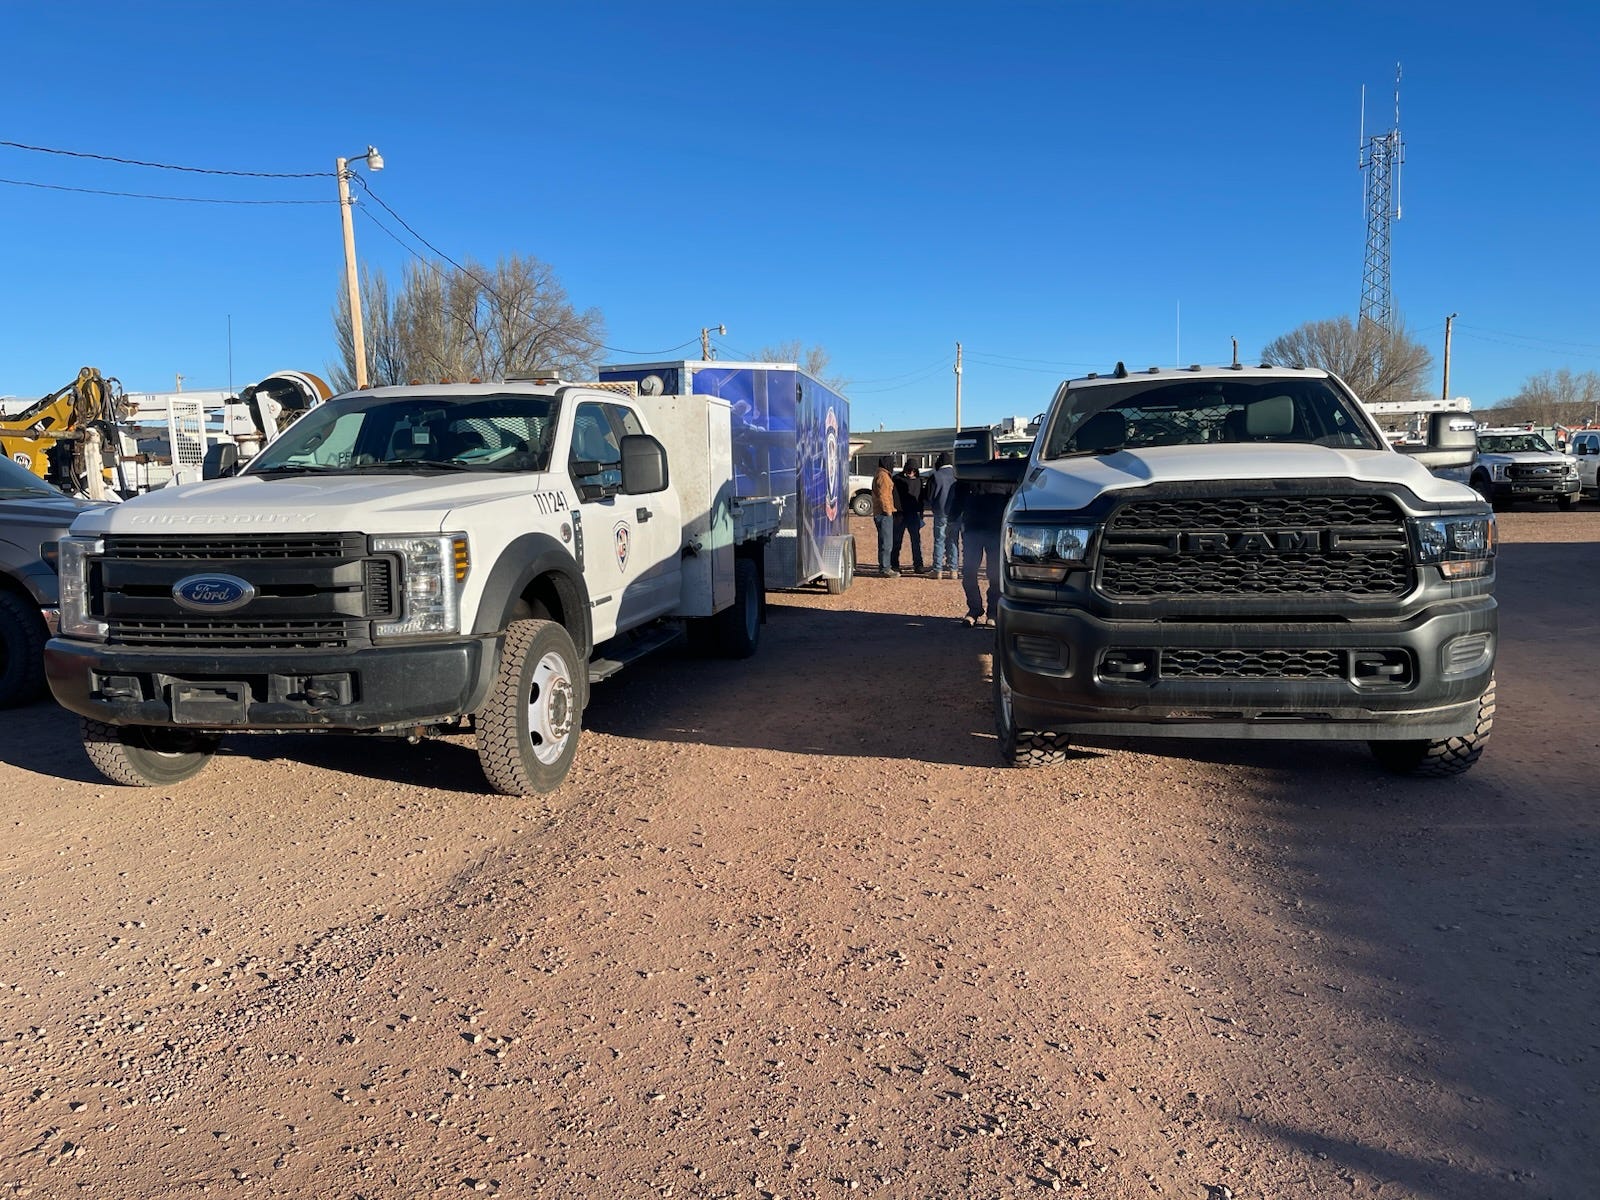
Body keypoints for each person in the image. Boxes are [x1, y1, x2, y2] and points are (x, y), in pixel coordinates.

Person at [953, 474, 1009, 627]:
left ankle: (993, 611)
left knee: (995, 574)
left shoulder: (1004, 475)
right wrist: (952, 519)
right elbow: (958, 499)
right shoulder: (969, 474)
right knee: (969, 571)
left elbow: (1012, 501)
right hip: (972, 530)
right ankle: (974, 609)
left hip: (996, 532)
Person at [925, 451, 960, 579]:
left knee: (939, 540)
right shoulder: (958, 475)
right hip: (956, 513)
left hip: (941, 512)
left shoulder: (936, 476)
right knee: (954, 541)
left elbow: (930, 496)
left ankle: (937, 569)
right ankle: (953, 569)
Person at [891, 457, 927, 575]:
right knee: (896, 541)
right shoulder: (897, 479)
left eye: (913, 470)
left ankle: (918, 565)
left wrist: (921, 512)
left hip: (913, 514)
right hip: (899, 514)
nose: (911, 472)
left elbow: (921, 498)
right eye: (909, 470)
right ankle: (894, 564)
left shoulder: (918, 481)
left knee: (916, 541)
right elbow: (893, 497)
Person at [870, 455, 899, 577]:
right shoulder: (883, 476)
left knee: (884, 541)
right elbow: (884, 495)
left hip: (880, 512)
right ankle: (886, 568)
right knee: (887, 542)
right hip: (883, 513)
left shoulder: (881, 474)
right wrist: (888, 511)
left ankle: (884, 566)